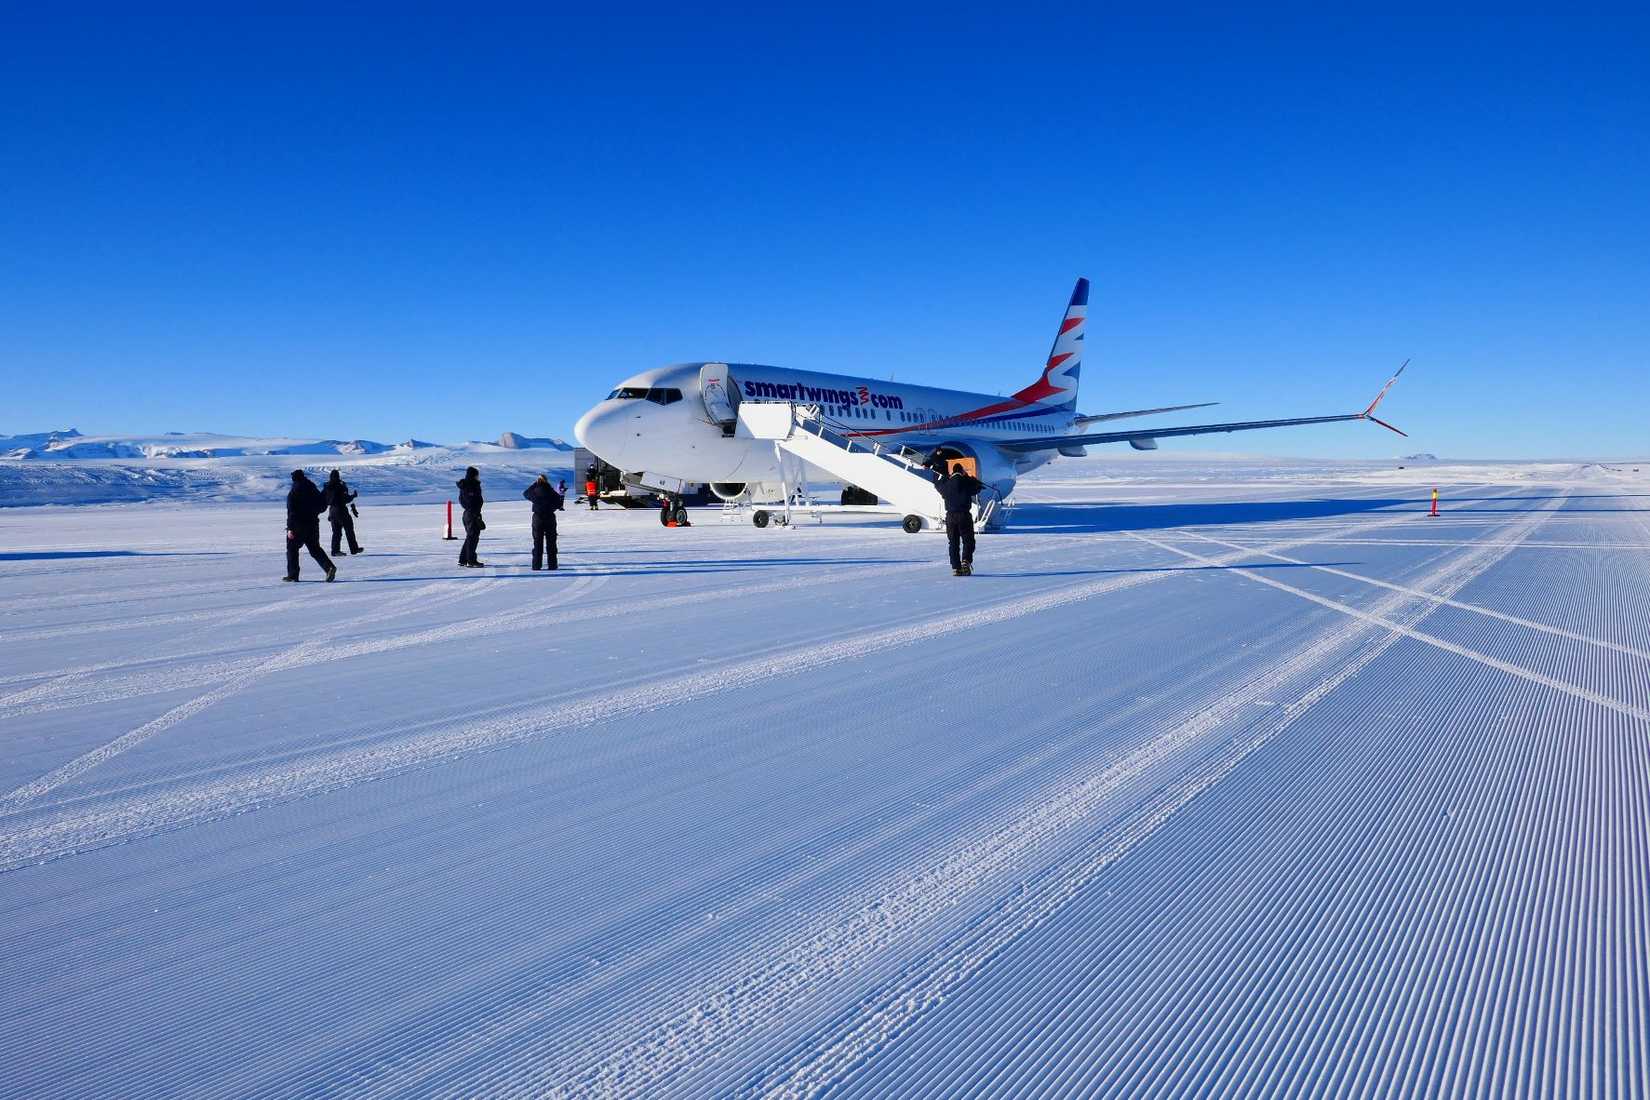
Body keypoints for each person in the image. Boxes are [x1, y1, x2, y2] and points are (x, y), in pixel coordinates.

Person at [933, 461, 985, 576]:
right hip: (964, 515)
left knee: (953, 542)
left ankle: (956, 568)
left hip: (950, 516)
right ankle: (966, 561)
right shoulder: (966, 482)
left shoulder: (946, 484)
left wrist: (946, 477)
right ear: (962, 471)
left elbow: (937, 484)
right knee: (968, 540)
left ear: (952, 472)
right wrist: (968, 477)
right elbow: (978, 487)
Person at [284, 469, 336, 582]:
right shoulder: (312, 488)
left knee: (292, 548)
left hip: (298, 525)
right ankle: (329, 567)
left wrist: (290, 528)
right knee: (315, 548)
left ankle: (293, 574)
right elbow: (322, 506)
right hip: (313, 524)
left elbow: (292, 511)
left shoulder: (294, 491)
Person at [523, 473, 564, 570]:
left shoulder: (535, 491)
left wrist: (535, 484)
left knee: (537, 542)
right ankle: (552, 564)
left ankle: (536, 565)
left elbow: (525, 493)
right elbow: (559, 503)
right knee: (551, 542)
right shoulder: (550, 491)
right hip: (550, 517)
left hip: (538, 517)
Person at [322, 469, 363, 556]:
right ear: (338, 476)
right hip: (341, 510)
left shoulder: (327, 486)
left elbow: (323, 498)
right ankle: (354, 549)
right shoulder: (340, 486)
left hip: (332, 511)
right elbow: (345, 499)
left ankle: (335, 551)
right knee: (349, 530)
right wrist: (353, 496)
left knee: (336, 532)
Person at [457, 466, 486, 567]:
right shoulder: (470, 486)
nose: (478, 477)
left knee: (470, 537)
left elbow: (463, 500)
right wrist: (474, 513)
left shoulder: (468, 485)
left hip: (470, 513)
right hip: (471, 514)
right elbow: (470, 501)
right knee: (473, 538)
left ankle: (463, 559)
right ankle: (471, 561)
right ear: (473, 475)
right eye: (477, 475)